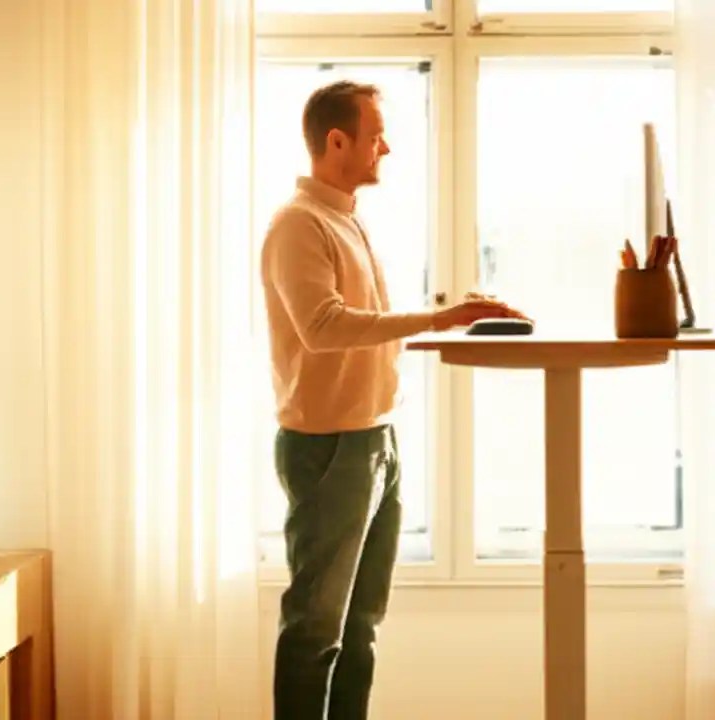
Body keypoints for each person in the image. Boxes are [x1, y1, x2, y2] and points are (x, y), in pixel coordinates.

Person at [259, 80, 527, 720]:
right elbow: (323, 329)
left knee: (361, 630)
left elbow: (365, 325)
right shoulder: (299, 225)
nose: (387, 146)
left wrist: (453, 318)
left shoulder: (347, 220)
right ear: (336, 140)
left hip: (376, 442)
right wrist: (438, 321)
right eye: (375, 134)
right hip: (330, 449)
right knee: (316, 630)